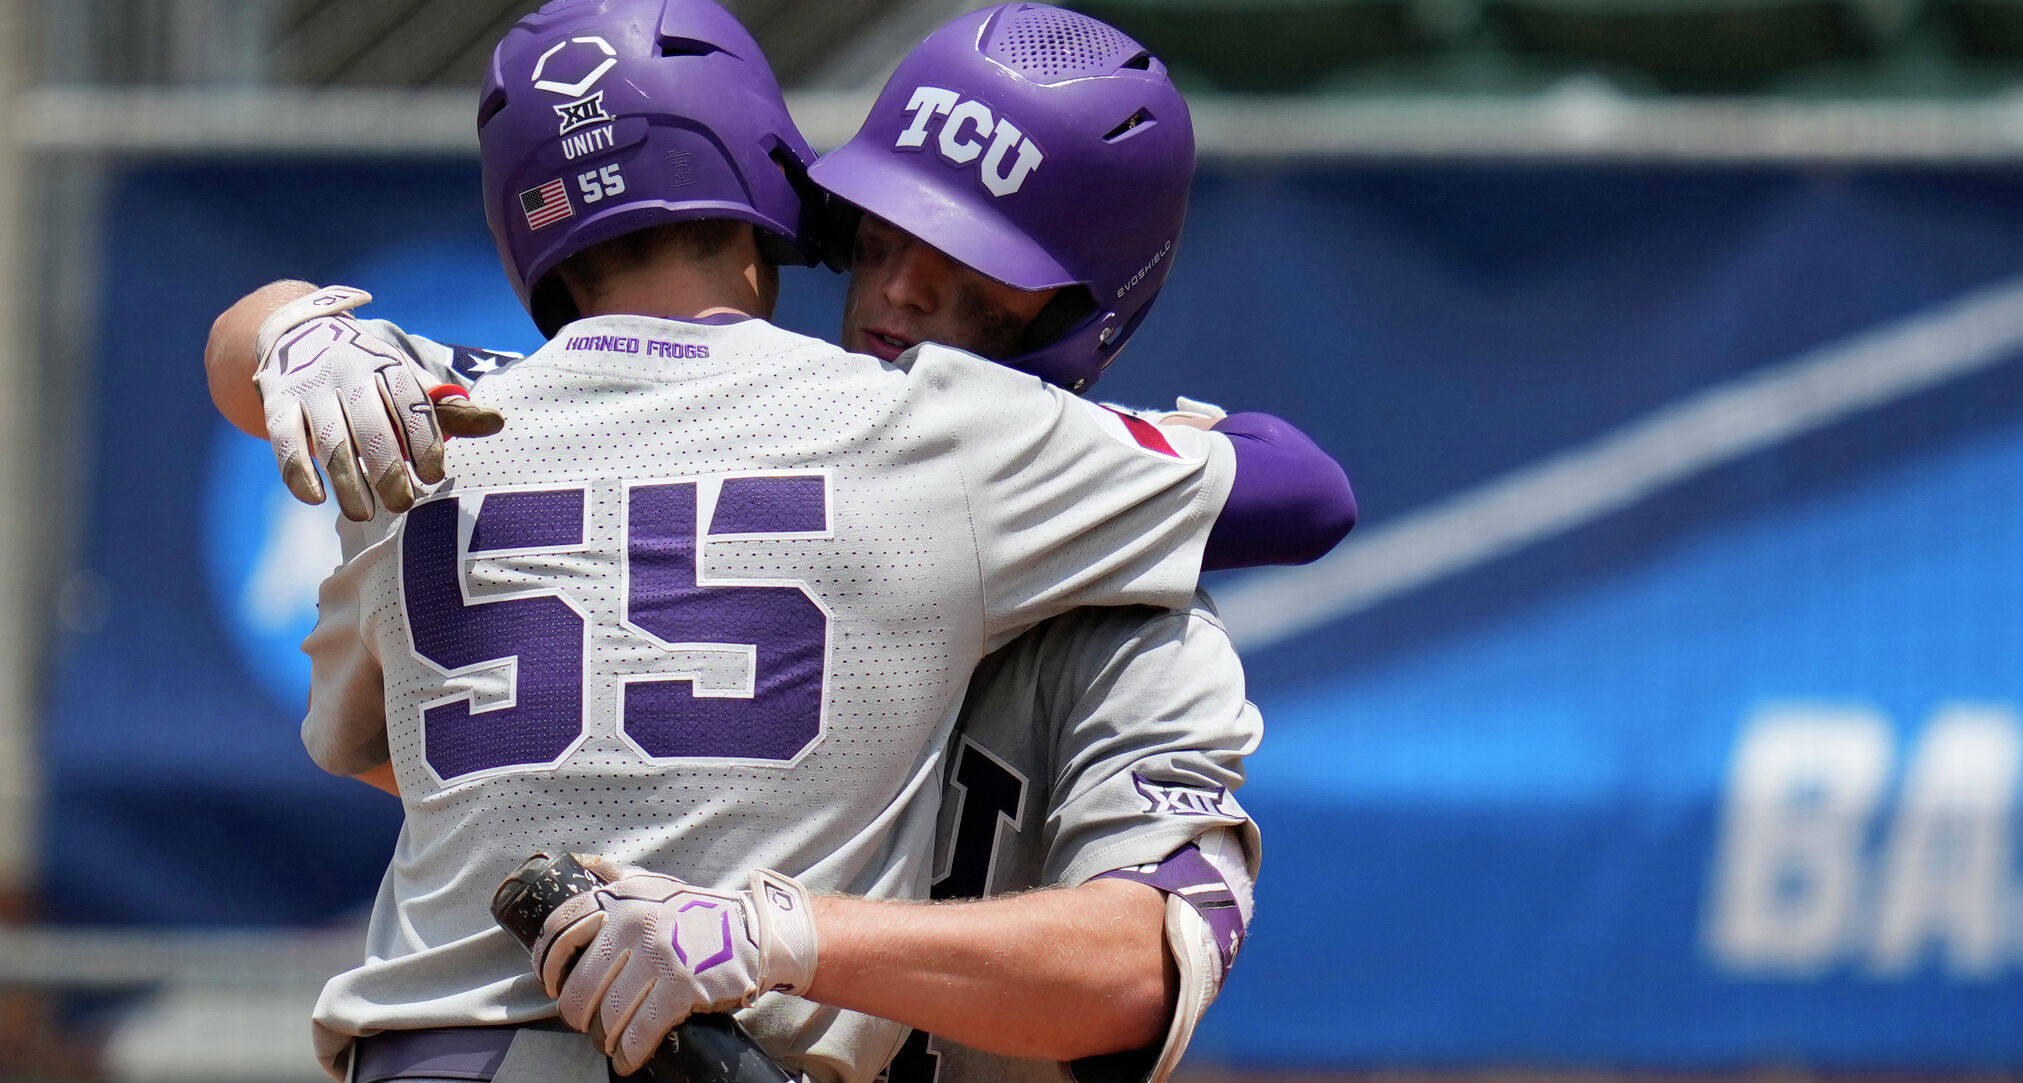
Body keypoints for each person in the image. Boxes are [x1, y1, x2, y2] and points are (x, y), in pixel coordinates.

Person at [202, 3, 1354, 1083]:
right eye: (880, 234)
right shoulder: (889, 433)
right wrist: (286, 330)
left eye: (974, 284)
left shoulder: (1123, 600)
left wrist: (780, 930)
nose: (900, 299)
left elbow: (1138, 969)